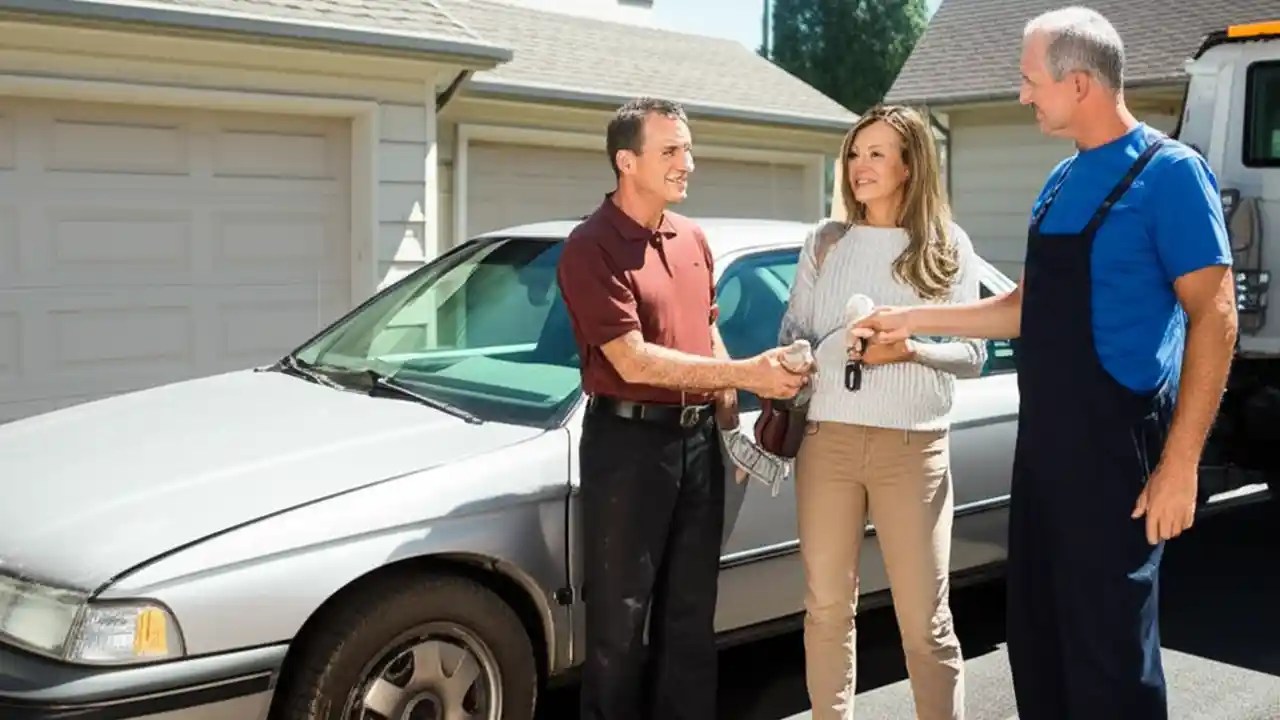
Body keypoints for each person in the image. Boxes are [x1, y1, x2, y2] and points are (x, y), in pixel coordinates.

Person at [854, 8, 1237, 719]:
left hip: (1118, 459)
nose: (1024, 95)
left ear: (1081, 83)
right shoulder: (1059, 182)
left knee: (1110, 658)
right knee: (1040, 643)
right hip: (1044, 455)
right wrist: (910, 318)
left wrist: (1181, 464)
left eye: (1032, 81)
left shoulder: (1172, 175)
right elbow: (1023, 308)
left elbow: (1214, 317)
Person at [555, 96, 811, 720]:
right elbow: (633, 361)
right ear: (626, 160)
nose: (687, 162)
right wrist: (749, 374)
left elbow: (706, 331)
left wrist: (731, 426)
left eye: (688, 148)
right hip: (629, 449)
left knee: (692, 617)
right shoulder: (591, 248)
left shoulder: (693, 237)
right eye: (670, 150)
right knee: (620, 622)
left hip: (698, 445)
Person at [779, 104, 986, 720]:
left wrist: (909, 349)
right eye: (854, 153)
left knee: (925, 620)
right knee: (825, 607)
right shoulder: (825, 240)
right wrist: (800, 352)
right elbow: (795, 328)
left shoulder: (948, 245)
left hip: (912, 450)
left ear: (909, 164)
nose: (859, 166)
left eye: (876, 153)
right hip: (828, 442)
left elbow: (974, 353)